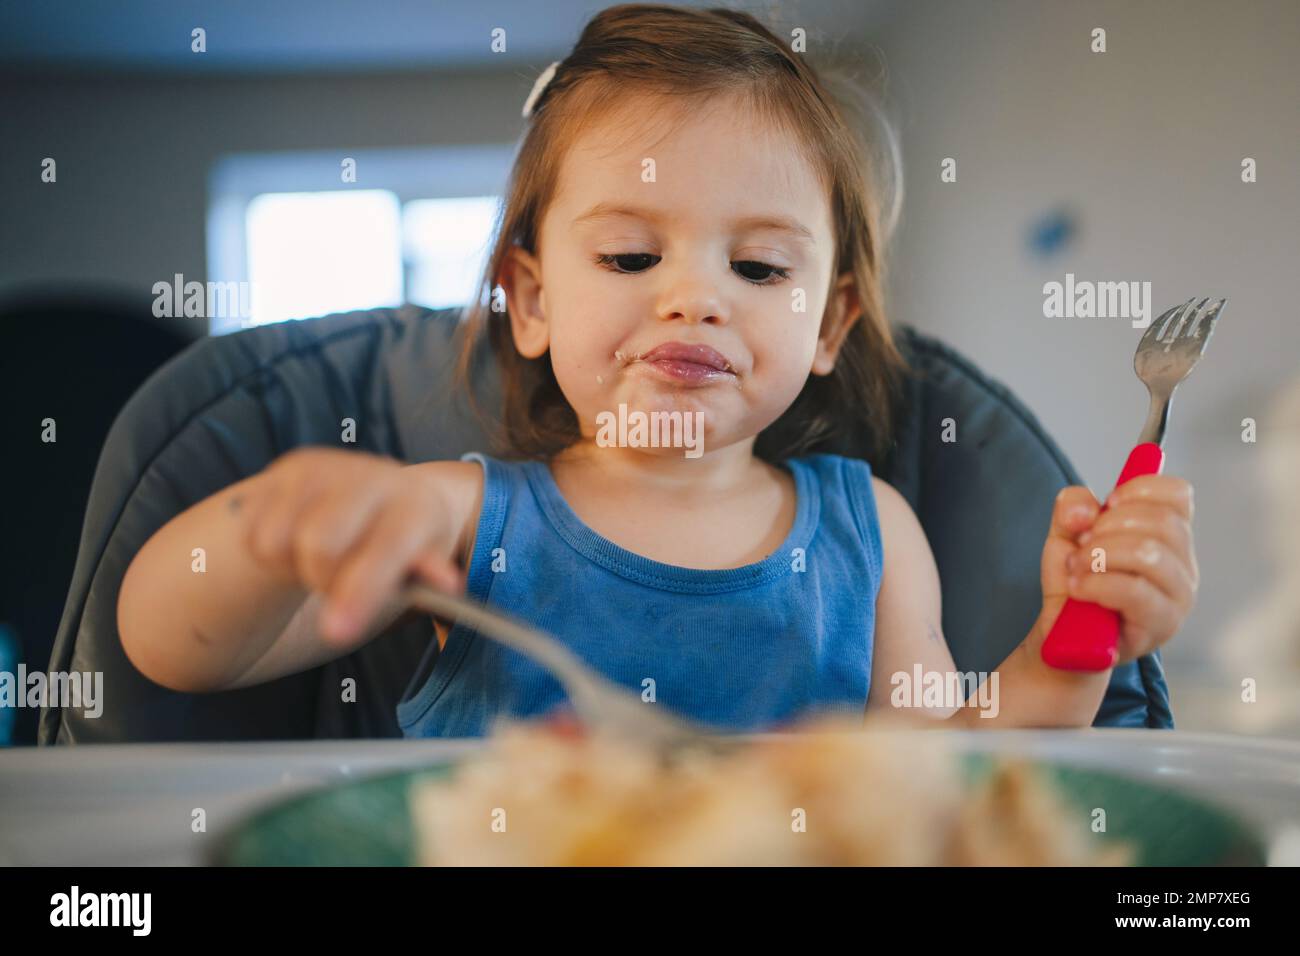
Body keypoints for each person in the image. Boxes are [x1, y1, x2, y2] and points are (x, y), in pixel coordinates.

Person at [117, 4, 1198, 738]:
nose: (693, 295)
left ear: (829, 323)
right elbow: (175, 650)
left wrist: (1072, 641)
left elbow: (942, 766)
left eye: (760, 264)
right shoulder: (454, 516)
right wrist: (271, 524)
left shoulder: (871, 530)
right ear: (532, 301)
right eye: (631, 256)